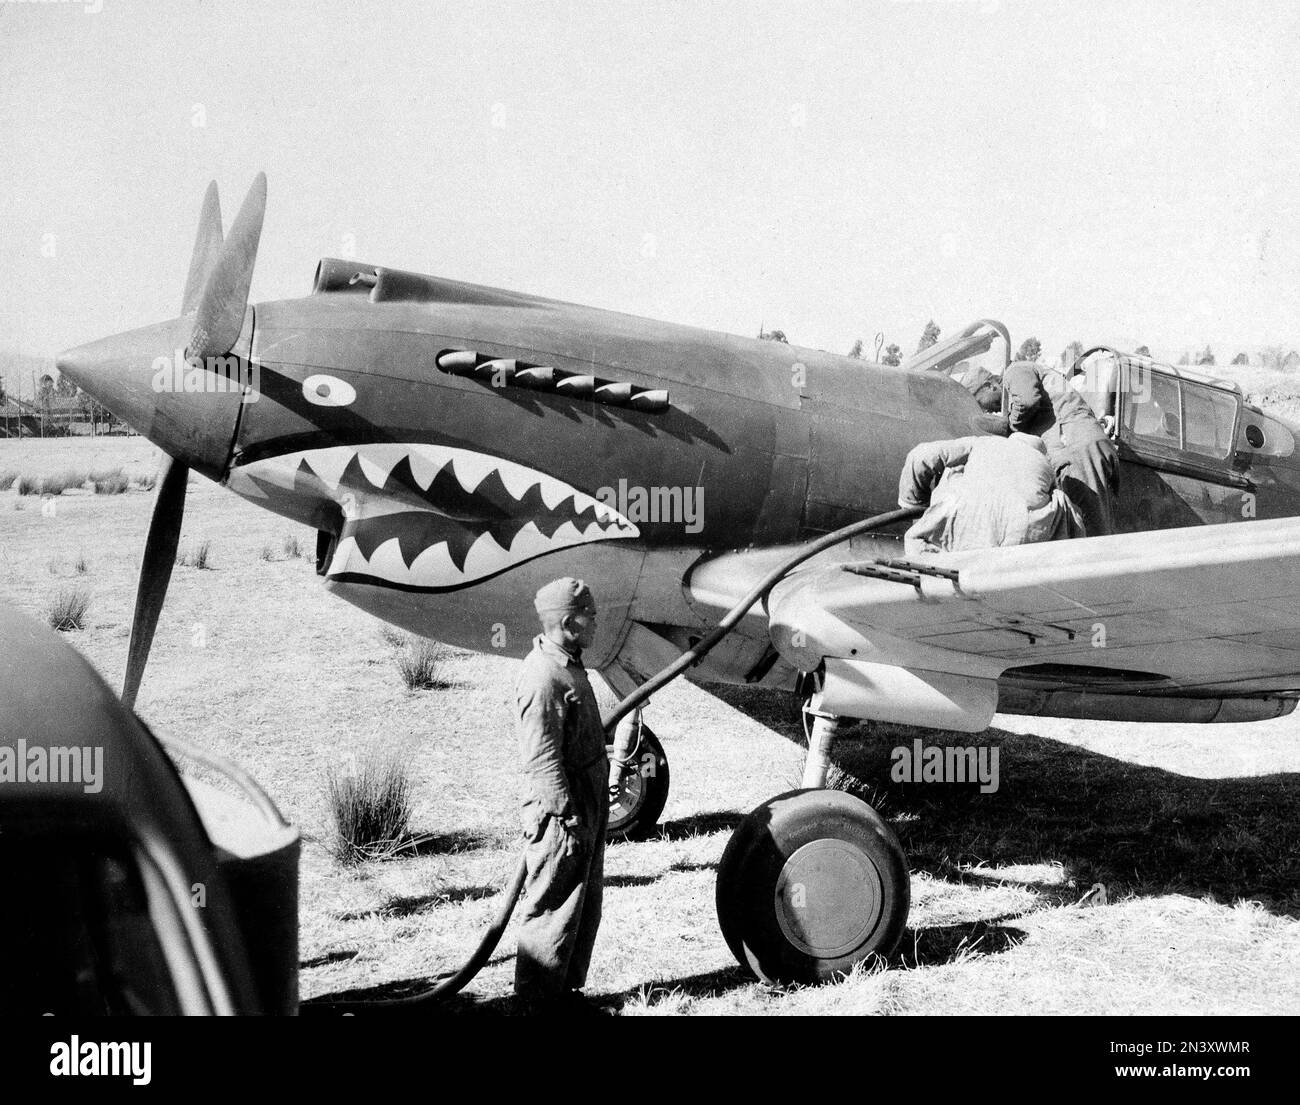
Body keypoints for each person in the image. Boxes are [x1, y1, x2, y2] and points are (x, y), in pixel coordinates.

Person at [513, 577, 609, 1013]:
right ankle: (537, 1004)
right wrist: (568, 815)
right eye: (590, 615)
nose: (596, 621)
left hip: (582, 804)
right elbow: (542, 758)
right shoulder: (544, 676)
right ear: (570, 622)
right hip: (563, 811)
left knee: (581, 904)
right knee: (554, 906)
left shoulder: (567, 663)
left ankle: (564, 994)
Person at [899, 431, 1082, 554]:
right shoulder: (1044, 465)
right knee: (1061, 500)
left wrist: (913, 506)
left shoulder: (984, 443)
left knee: (954, 473)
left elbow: (921, 454)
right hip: (1020, 534)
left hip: (963, 519)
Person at [993, 360, 1121, 536]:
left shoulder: (1015, 370)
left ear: (990, 386)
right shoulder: (1041, 371)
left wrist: (1010, 427)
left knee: (1086, 532)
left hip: (1073, 446)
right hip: (1083, 443)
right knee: (1094, 524)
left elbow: (1027, 401)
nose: (991, 409)